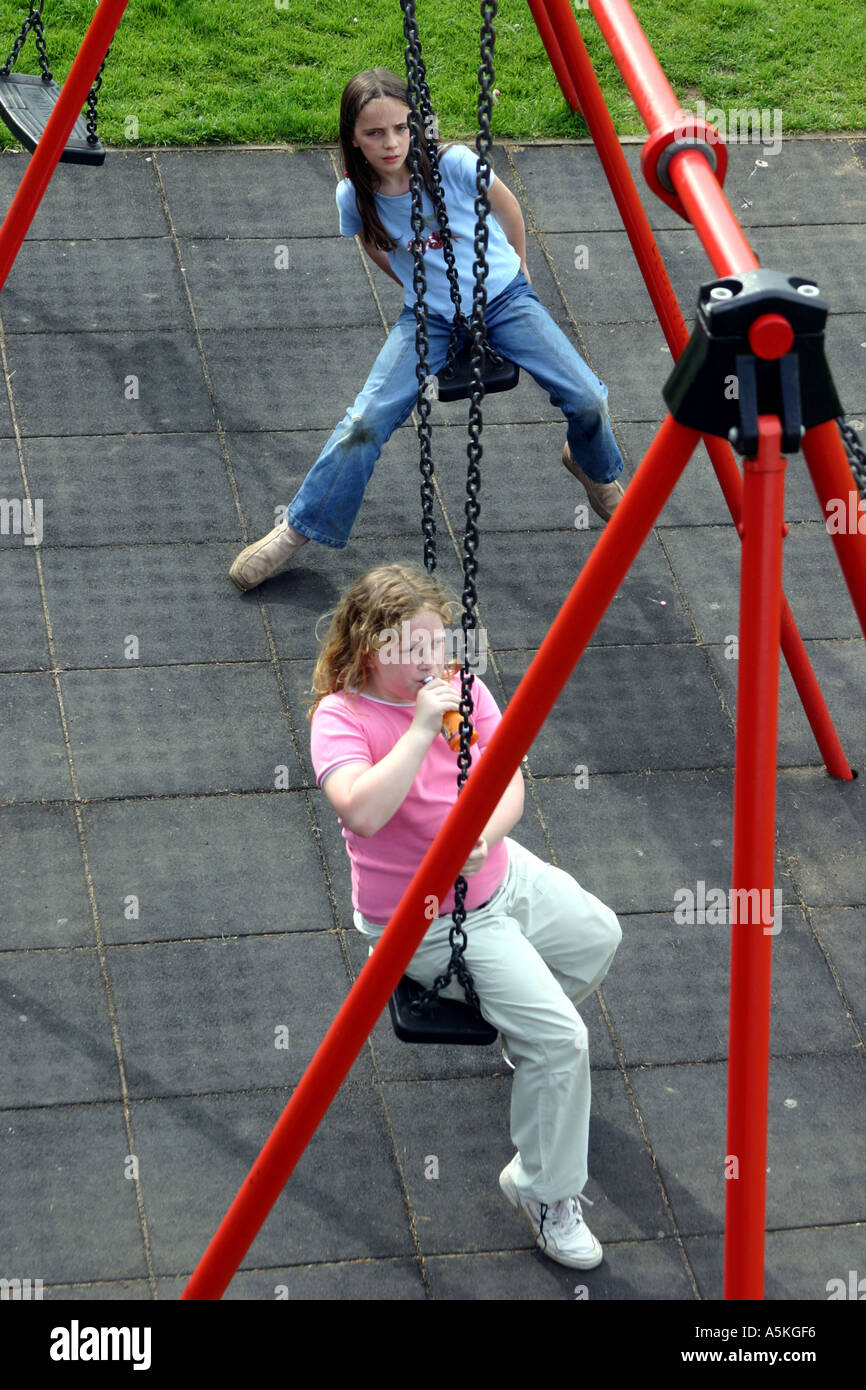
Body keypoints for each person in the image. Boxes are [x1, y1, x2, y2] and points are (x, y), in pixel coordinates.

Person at [308, 562, 621, 1268]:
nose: (428, 663)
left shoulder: (462, 688)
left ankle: (527, 1049)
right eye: (409, 650)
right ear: (366, 650)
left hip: (499, 881)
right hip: (423, 922)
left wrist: (486, 835)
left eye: (435, 645)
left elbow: (507, 778)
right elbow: (361, 809)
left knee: (599, 936)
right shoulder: (342, 717)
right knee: (565, 1041)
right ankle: (541, 1189)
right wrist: (421, 729)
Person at [230, 68, 625, 591]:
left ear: (416, 125)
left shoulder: (454, 165)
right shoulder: (355, 195)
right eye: (374, 133)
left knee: (587, 397)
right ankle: (297, 529)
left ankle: (591, 464)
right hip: (430, 319)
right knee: (365, 421)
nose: (391, 142)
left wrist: (522, 268)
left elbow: (506, 208)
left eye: (400, 128)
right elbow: (371, 244)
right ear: (353, 137)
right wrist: (414, 289)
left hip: (501, 297)